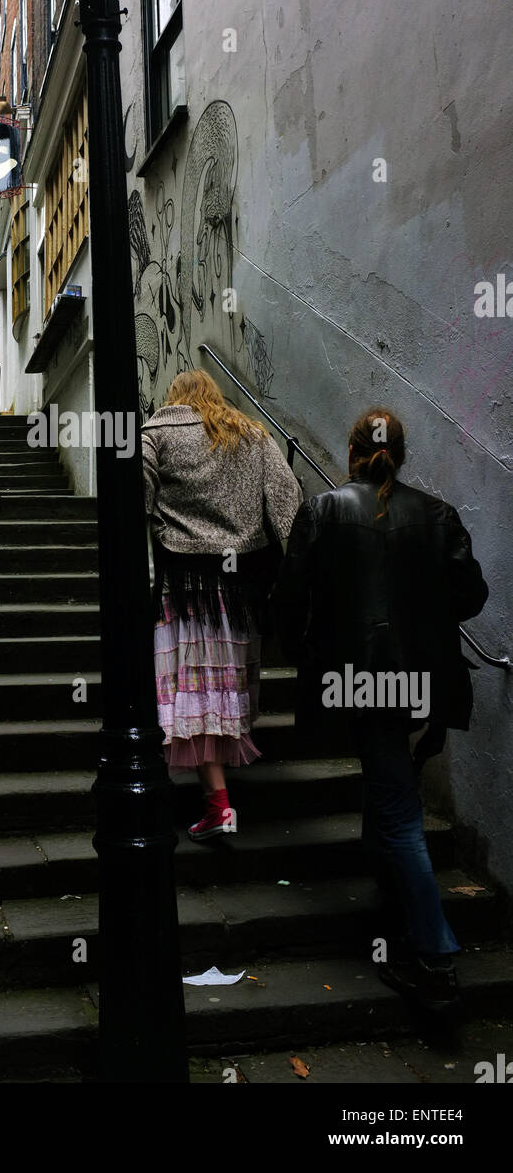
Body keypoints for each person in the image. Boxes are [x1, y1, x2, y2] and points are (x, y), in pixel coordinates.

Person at [273, 407, 488, 1012]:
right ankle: (390, 892)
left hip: (356, 678)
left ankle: (437, 958)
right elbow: (470, 596)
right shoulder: (437, 514)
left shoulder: (322, 511)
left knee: (396, 808)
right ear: (402, 451)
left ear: (350, 449)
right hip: (417, 680)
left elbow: (290, 597)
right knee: (389, 778)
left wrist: (306, 652)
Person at [141, 370, 302, 842]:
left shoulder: (154, 435)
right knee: (225, 685)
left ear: (174, 399)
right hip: (240, 591)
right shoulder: (251, 434)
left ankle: (218, 806)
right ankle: (218, 797)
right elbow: (288, 504)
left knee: (193, 687)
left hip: (184, 587)